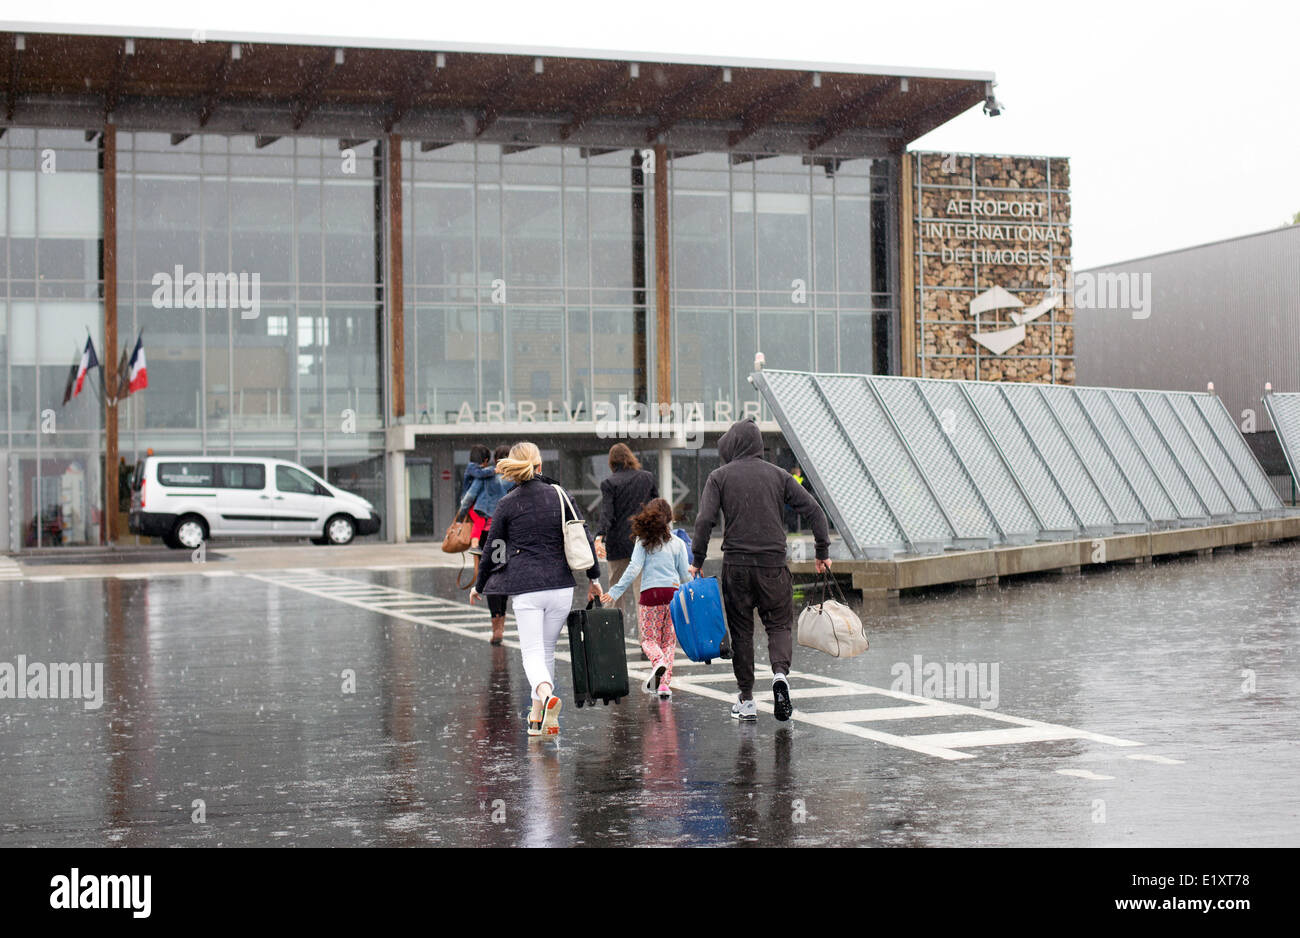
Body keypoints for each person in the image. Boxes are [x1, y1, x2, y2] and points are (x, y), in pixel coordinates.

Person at [690, 418, 831, 723]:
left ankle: (747, 699)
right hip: (773, 565)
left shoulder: (719, 477)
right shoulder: (779, 476)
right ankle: (780, 675)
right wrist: (822, 551)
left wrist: (697, 559)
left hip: (737, 567)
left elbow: (704, 521)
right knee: (779, 625)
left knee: (742, 632)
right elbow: (814, 511)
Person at [471, 442, 602, 738]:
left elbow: (493, 549)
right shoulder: (560, 494)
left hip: (526, 587)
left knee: (531, 653)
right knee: (546, 652)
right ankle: (539, 718)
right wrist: (594, 579)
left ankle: (546, 694)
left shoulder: (507, 503)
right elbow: (583, 536)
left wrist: (480, 585)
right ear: (540, 465)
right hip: (561, 587)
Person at [600, 498, 690, 699]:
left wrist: (615, 591)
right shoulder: (679, 543)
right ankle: (664, 685)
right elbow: (685, 575)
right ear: (669, 518)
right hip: (672, 595)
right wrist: (691, 596)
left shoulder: (643, 542)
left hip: (651, 594)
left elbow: (633, 569)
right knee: (668, 641)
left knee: (649, 639)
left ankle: (658, 662)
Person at [594, 443, 658, 653]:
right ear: (630, 457)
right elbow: (655, 508)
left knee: (615, 591)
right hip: (642, 542)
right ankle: (646, 641)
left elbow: (608, 513)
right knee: (643, 594)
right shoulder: (646, 478)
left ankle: (613, 638)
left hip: (618, 543)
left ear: (612, 462)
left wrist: (600, 535)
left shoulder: (609, 483)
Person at [457, 444, 514, 644]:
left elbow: (468, 498)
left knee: (489, 578)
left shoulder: (485, 477)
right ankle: (502, 626)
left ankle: (495, 625)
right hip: (505, 535)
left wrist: (459, 519)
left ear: (494, 460)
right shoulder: (514, 481)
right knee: (503, 575)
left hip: (486, 536)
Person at [459, 445, 495, 555]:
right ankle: (474, 544)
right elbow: (480, 474)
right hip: (470, 503)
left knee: (480, 520)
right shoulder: (472, 468)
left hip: (473, 503)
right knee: (480, 520)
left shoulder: (473, 467)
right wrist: (494, 470)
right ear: (485, 460)